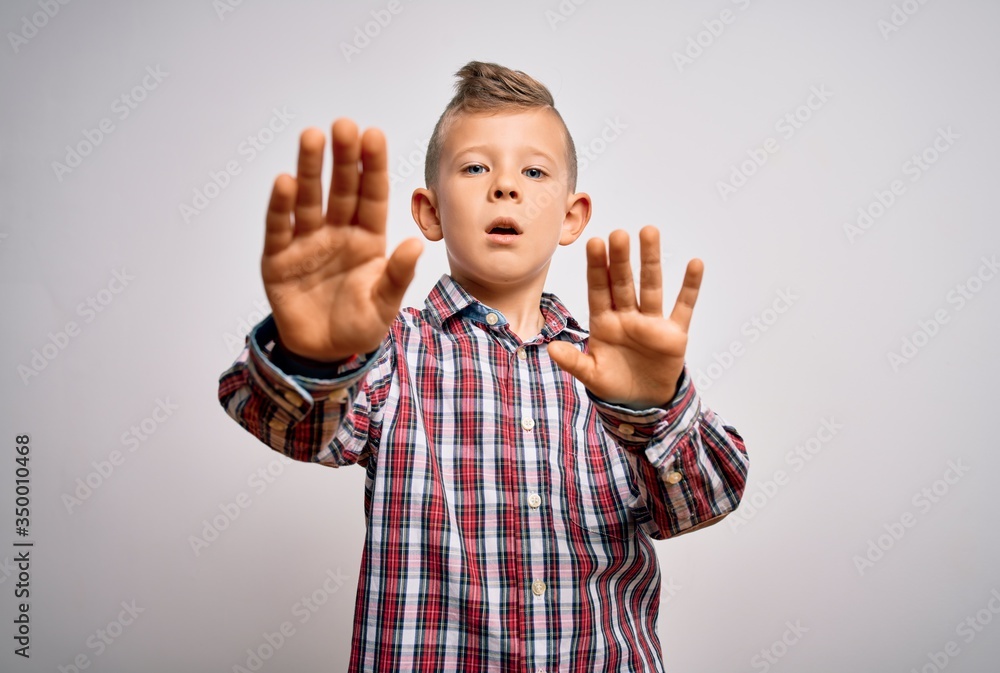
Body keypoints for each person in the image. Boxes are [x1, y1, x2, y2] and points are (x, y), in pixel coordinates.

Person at [218, 60, 749, 672]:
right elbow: (290, 425)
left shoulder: (615, 370)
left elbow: (701, 504)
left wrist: (651, 411)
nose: (505, 186)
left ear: (572, 216)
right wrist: (313, 355)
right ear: (430, 211)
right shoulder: (395, 355)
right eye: (475, 168)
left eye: (534, 170)